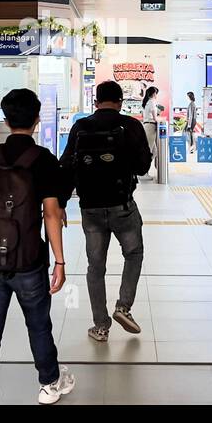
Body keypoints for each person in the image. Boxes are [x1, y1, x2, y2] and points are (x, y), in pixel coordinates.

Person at [0, 88, 75, 405]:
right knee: (39, 325)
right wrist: (60, 261)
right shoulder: (42, 160)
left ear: (5, 118)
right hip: (28, 260)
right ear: (37, 120)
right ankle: (49, 383)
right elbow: (52, 214)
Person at [60, 80, 151, 342]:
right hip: (122, 205)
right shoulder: (131, 125)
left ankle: (101, 326)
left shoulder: (81, 126)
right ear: (121, 102)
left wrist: (63, 202)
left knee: (95, 266)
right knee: (133, 254)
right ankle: (123, 307)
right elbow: (143, 167)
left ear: (96, 102)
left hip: (90, 208)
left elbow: (66, 165)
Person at [141, 85, 161, 179]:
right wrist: (159, 121)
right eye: (156, 92)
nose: (157, 95)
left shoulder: (147, 102)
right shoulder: (152, 102)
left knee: (154, 151)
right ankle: (143, 173)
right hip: (150, 127)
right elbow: (154, 117)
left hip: (147, 126)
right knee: (149, 151)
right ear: (153, 93)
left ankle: (145, 170)